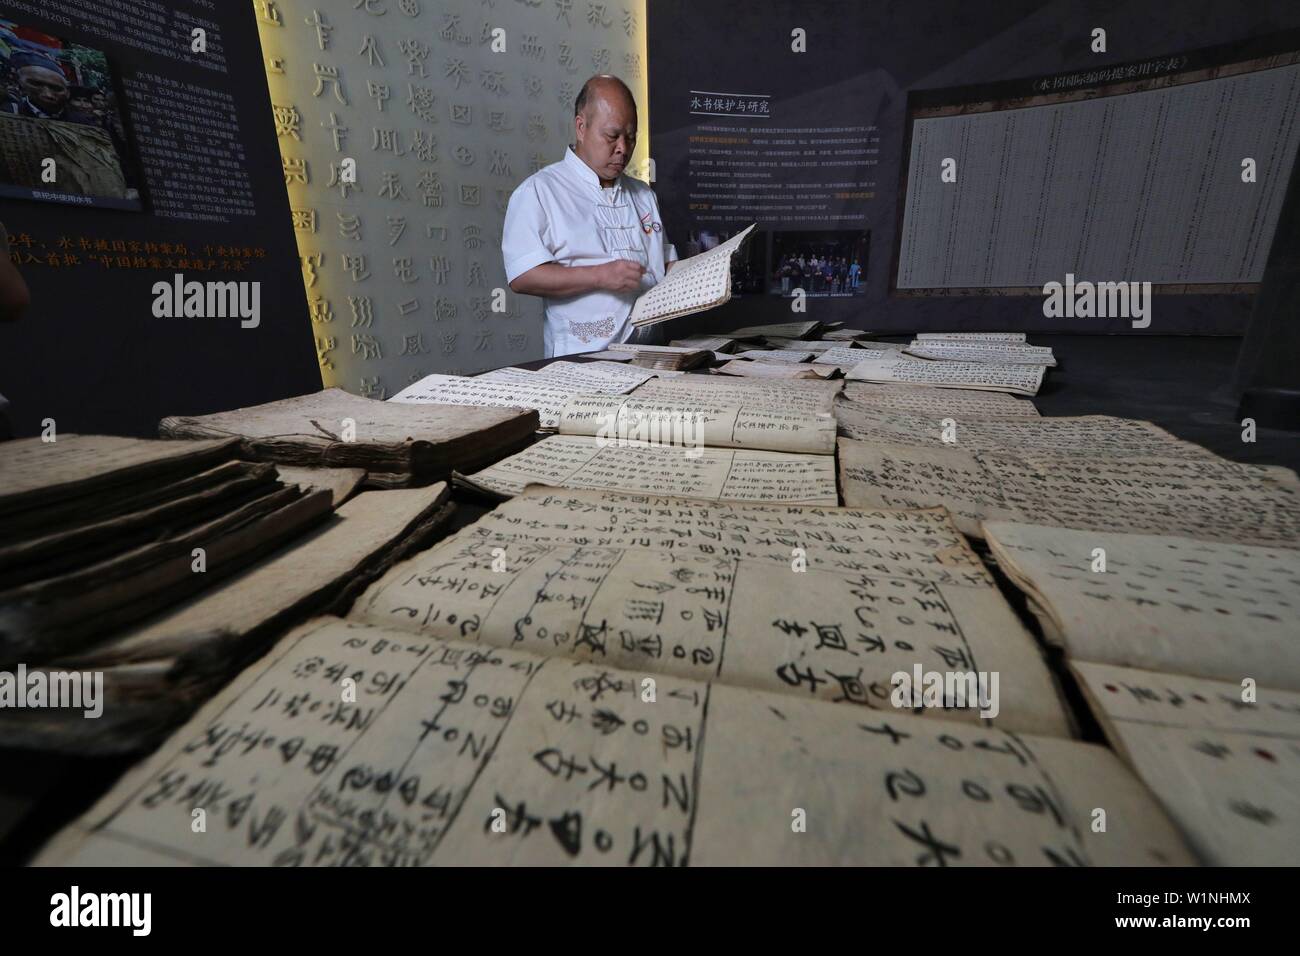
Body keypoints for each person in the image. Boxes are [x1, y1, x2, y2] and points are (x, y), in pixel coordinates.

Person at [502, 74, 678, 357]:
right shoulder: (540, 190)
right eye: (612, 136)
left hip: (651, 354)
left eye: (631, 138)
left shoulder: (644, 194)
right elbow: (523, 276)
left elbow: (665, 262)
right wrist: (600, 276)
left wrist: (708, 271)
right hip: (581, 360)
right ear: (581, 127)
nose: (623, 148)